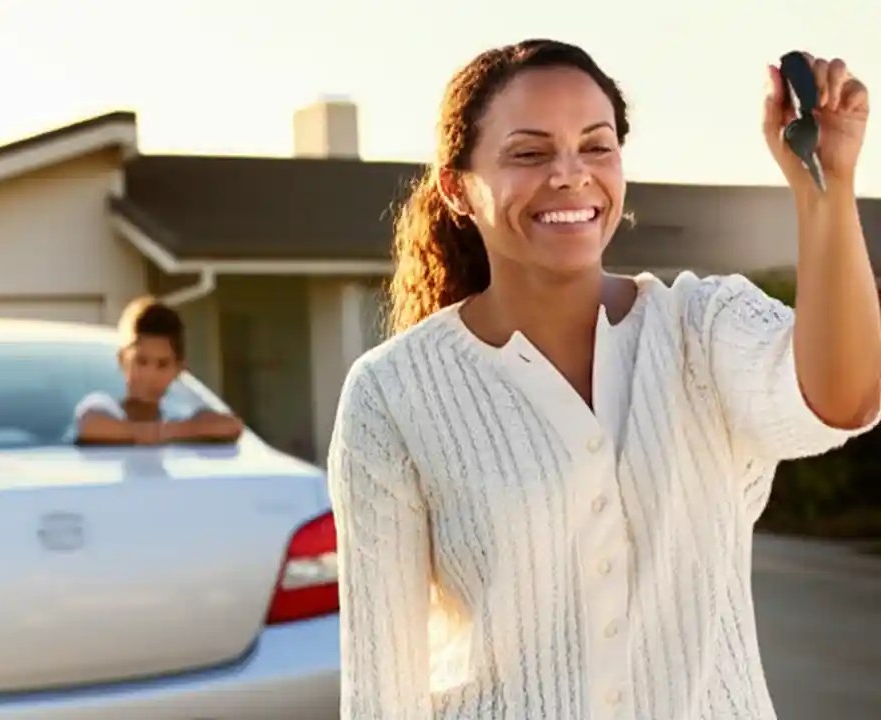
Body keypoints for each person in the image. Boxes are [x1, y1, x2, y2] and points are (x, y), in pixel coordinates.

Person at [328, 39, 877, 720]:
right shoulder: (394, 391)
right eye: (529, 153)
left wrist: (827, 189)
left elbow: (847, 398)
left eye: (596, 146)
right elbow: (382, 686)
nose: (570, 175)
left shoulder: (701, 329)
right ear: (455, 189)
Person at [74, 296, 243, 445]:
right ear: (121, 360)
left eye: (162, 365)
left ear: (179, 369)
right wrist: (176, 432)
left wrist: (162, 432)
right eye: (141, 362)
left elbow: (230, 426)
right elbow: (91, 426)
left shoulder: (177, 415)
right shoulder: (104, 407)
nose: (150, 375)